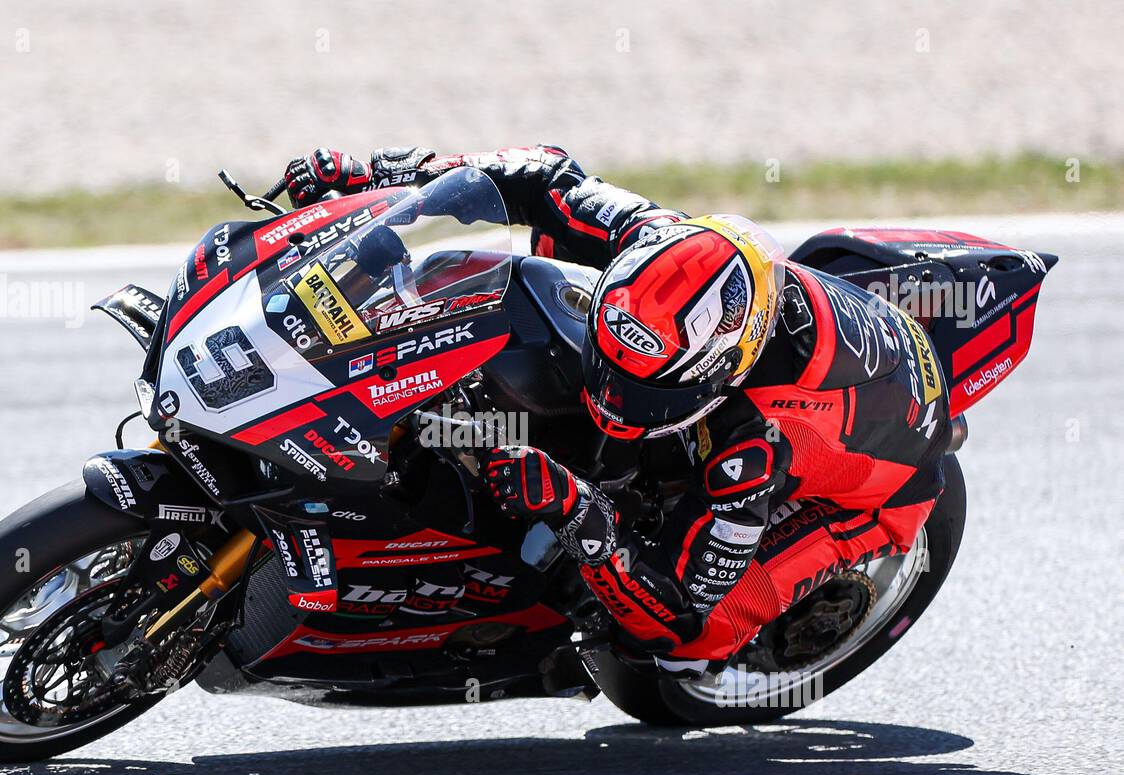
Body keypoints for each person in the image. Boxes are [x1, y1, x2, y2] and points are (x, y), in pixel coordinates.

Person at [281, 146, 951, 673]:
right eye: (615, 376)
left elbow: (683, 605)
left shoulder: (756, 446)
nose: (612, 405)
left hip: (875, 493)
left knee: (690, 641)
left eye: (644, 395)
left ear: (717, 377)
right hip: (810, 357)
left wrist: (581, 512)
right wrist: (385, 173)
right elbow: (544, 175)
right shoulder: (657, 239)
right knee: (546, 251)